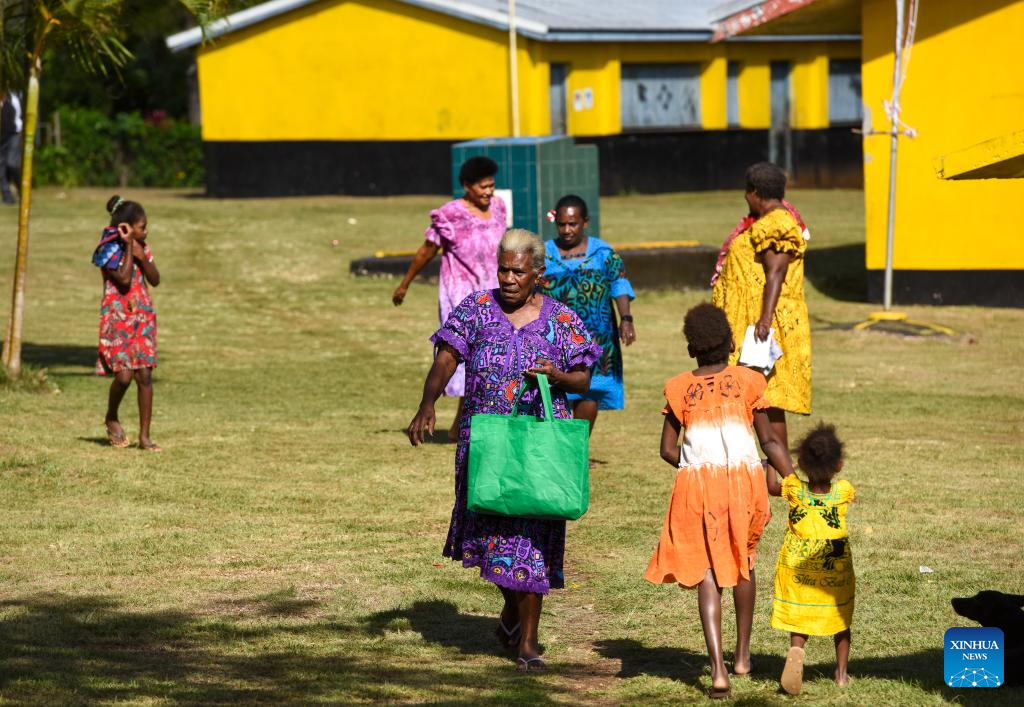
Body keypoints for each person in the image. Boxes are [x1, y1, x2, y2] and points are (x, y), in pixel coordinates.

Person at [406, 229, 602, 672]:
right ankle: (513, 608)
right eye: (503, 269)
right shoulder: (476, 308)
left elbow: (584, 381)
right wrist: (427, 403)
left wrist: (556, 374)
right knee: (495, 537)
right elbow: (446, 358)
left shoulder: (561, 320)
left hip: (536, 449)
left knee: (530, 541)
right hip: (487, 446)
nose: (509, 278)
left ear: (538, 271)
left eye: (519, 270)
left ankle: (529, 641)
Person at [644, 303, 795, 699]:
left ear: (691, 349)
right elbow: (771, 441)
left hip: (695, 487)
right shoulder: (749, 382)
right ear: (731, 343)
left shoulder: (677, 388)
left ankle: (717, 671)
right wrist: (794, 481)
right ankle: (743, 656)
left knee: (707, 572)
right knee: (742, 562)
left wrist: (696, 462)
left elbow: (665, 449)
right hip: (743, 483)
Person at [393, 156, 507, 439]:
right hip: (460, 295)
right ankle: (457, 423)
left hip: (492, 294)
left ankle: (461, 425)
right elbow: (426, 251)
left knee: (487, 357)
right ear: (467, 186)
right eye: (483, 186)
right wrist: (405, 283)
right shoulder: (450, 214)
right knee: (459, 355)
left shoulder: (499, 208)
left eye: (491, 186)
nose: (489, 192)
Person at [711, 162, 811, 452]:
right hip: (751, 317)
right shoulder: (765, 222)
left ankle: (777, 471)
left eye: (746, 193)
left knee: (762, 396)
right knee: (761, 397)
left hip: (763, 323)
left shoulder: (776, 223)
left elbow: (776, 271)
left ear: (754, 192)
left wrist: (764, 322)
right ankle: (771, 472)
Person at [766, 423, 854, 695]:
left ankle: (797, 650)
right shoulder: (843, 491)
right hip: (834, 567)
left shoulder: (794, 490)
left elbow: (772, 486)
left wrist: (772, 459)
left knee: (800, 618)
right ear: (839, 465)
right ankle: (841, 674)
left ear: (801, 463)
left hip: (799, 569)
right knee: (841, 620)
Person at [537, 194, 635, 434]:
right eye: (562, 224)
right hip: (553, 337)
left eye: (573, 223)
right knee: (553, 390)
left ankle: (577, 450)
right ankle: (558, 449)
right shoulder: (544, 253)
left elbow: (619, 284)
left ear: (585, 222)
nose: (567, 229)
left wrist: (626, 318)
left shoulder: (603, 252)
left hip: (597, 340)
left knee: (590, 391)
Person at [93, 195, 161, 451]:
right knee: (123, 376)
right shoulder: (107, 249)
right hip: (117, 316)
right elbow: (122, 279)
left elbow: (155, 279)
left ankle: (145, 437)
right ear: (127, 228)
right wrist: (130, 248)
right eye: (142, 227)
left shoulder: (141, 246)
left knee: (144, 375)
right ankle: (111, 416)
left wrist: (142, 256)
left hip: (141, 315)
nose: (146, 231)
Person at [0, 91, 22, 205]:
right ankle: (7, 196)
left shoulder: (13, 99)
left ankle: (22, 190)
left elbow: (18, 119)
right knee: (0, 170)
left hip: (12, 135)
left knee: (12, 164)